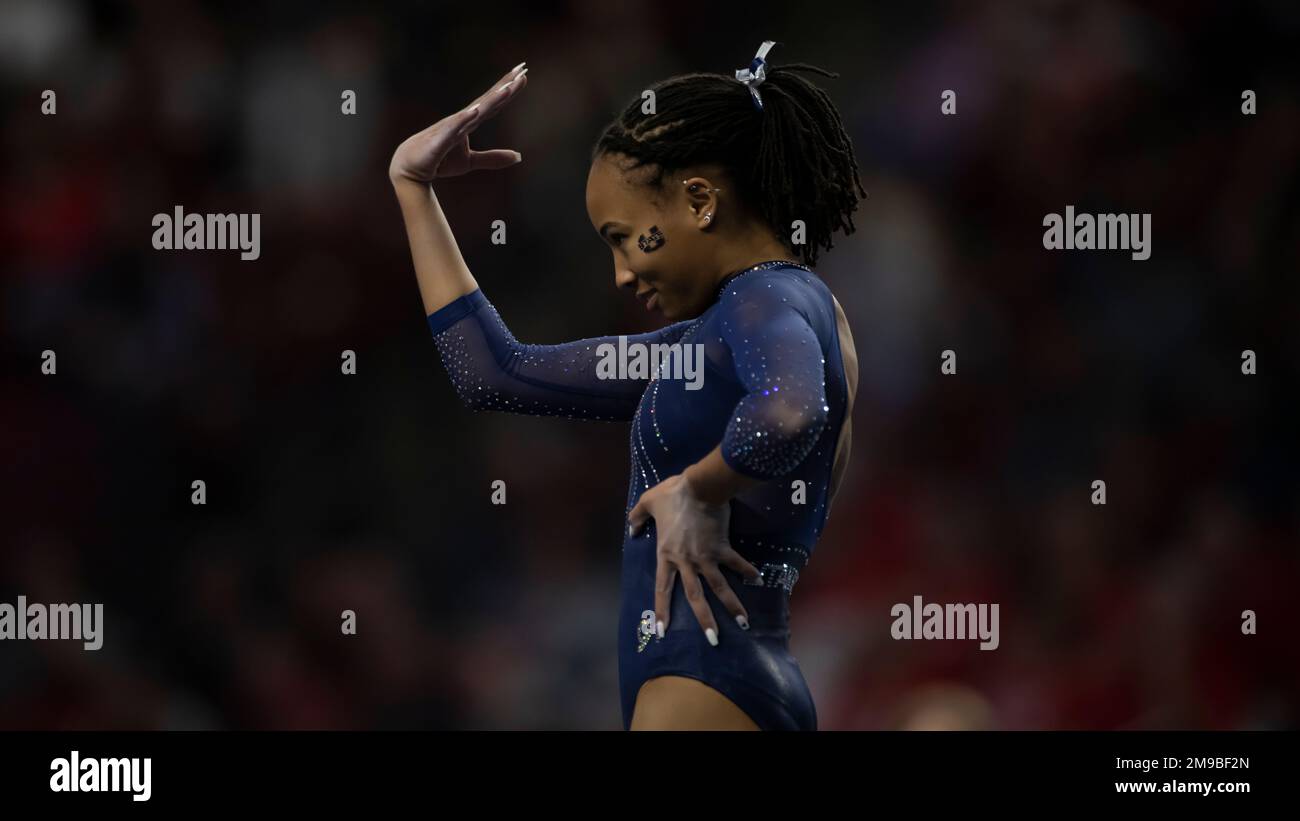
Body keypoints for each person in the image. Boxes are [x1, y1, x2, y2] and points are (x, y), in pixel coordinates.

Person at [390, 42, 864, 729]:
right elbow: (494, 371)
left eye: (625, 238)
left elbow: (791, 408)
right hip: (721, 673)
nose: (620, 274)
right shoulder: (715, 341)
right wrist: (414, 187)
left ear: (699, 201)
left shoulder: (766, 300)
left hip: (705, 676)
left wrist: (695, 484)